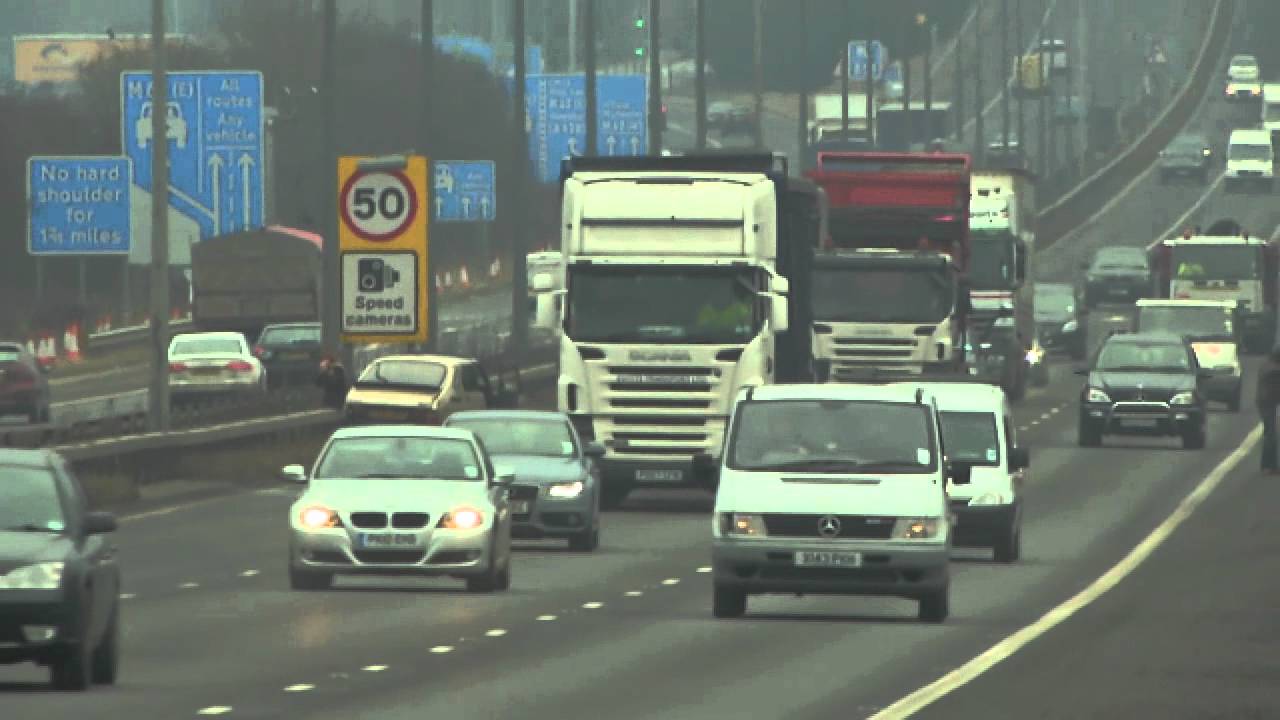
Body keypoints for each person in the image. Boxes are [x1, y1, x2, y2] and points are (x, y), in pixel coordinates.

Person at [1255, 344, 1280, 473]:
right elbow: (1274, 389)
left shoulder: (1268, 366)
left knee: (1270, 433)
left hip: (1266, 402)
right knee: (1271, 434)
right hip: (1267, 403)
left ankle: (1267, 465)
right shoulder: (1273, 370)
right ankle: (1270, 465)